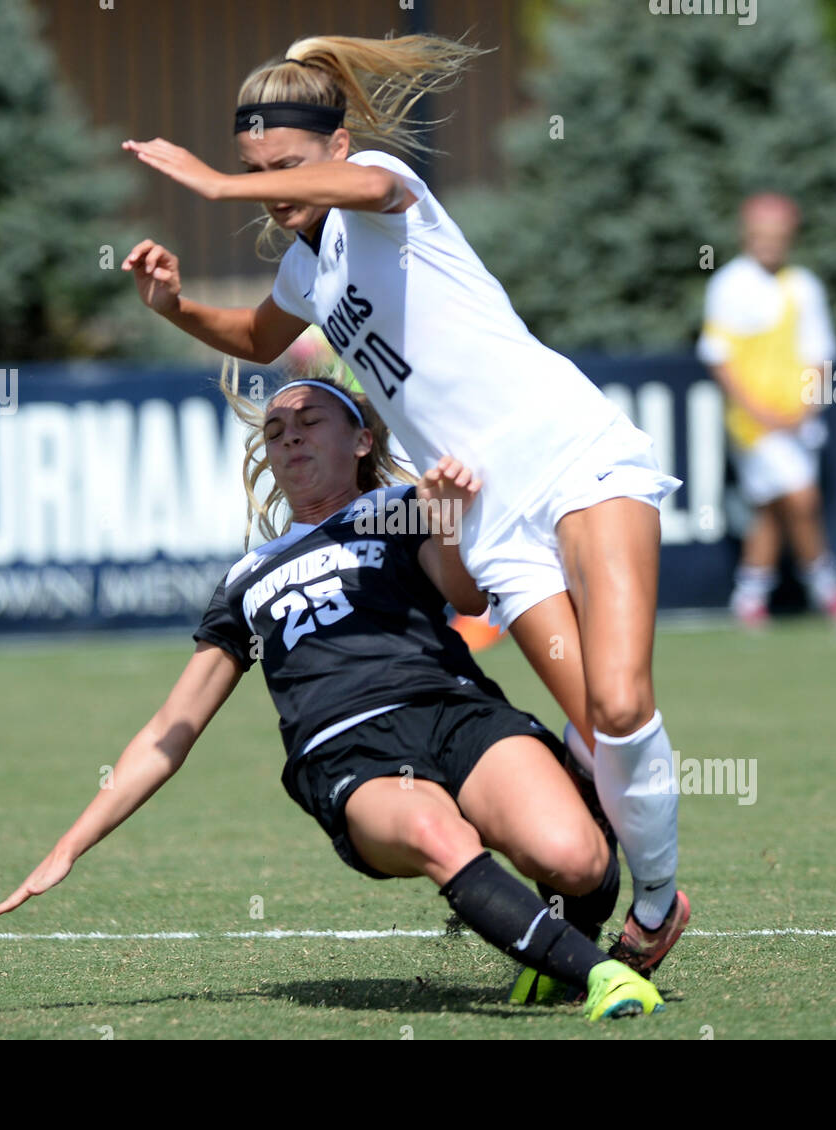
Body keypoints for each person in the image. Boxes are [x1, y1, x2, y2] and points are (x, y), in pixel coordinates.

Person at [118, 33, 691, 997]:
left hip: (569, 451)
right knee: (592, 723)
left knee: (625, 703)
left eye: (288, 168)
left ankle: (655, 902)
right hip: (488, 510)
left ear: (338, 148)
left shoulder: (381, 182)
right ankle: (587, 882)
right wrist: (174, 307)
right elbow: (259, 337)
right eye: (258, 172)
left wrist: (216, 186)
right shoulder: (307, 271)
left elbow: (374, 193)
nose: (274, 188)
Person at [0, 373, 664, 1021]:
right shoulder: (248, 578)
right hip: (346, 750)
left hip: (452, 709)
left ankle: (571, 912)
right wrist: (70, 844)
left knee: (574, 860)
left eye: (310, 421)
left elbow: (466, 596)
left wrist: (450, 520)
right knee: (435, 834)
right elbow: (172, 729)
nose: (290, 437)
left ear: (362, 439)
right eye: (275, 431)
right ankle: (599, 974)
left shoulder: (401, 510)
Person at [697, 192, 836, 629]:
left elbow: (819, 354)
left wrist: (805, 409)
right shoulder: (729, 284)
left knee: (772, 508)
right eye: (761, 235)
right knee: (801, 497)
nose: (769, 243)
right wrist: (761, 412)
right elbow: (720, 358)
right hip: (753, 425)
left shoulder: (804, 285)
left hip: (799, 422)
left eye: (778, 235)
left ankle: (749, 598)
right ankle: (829, 589)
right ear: (747, 235)